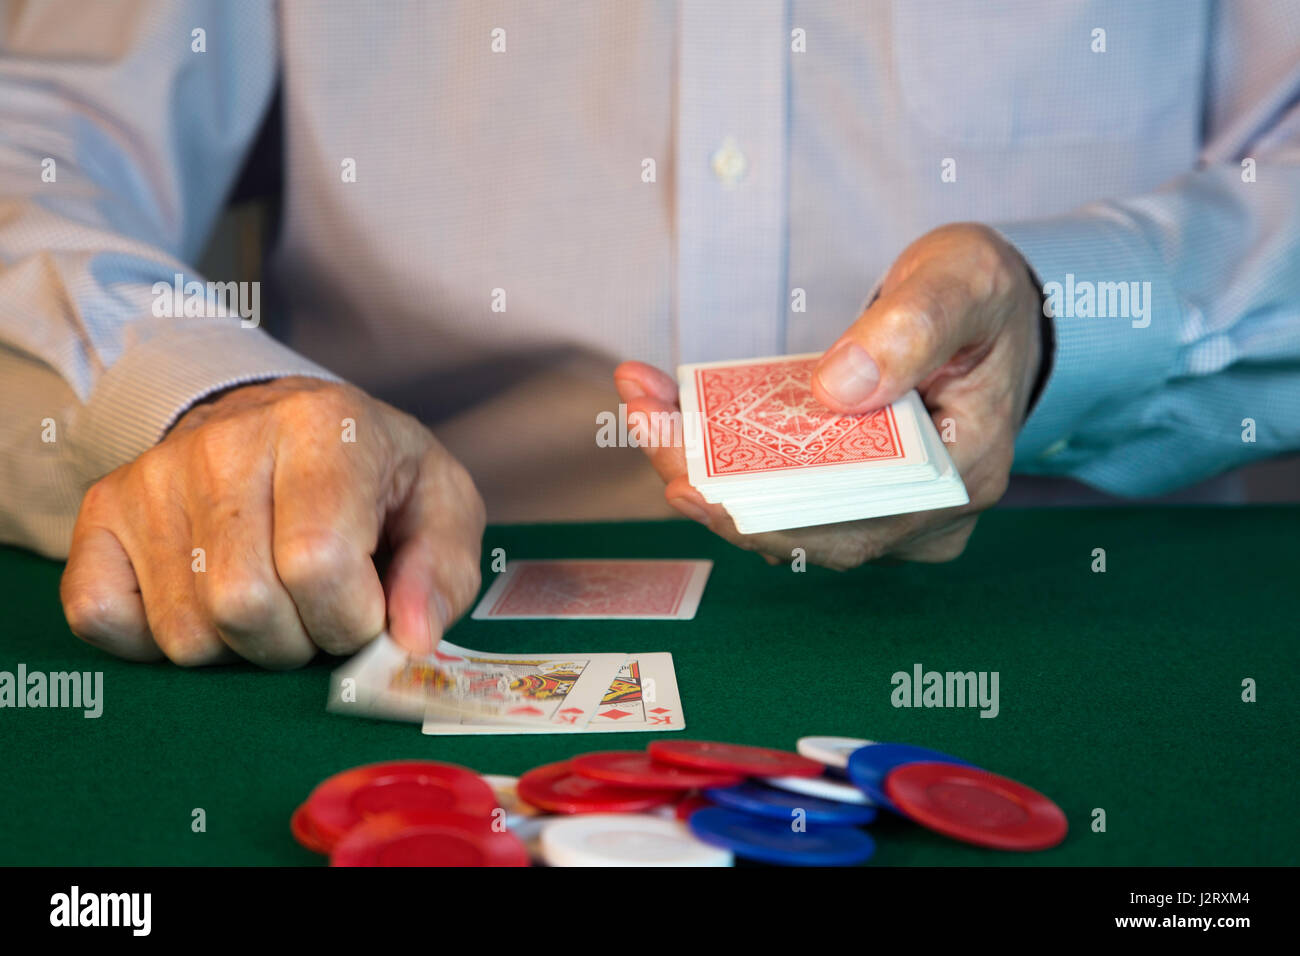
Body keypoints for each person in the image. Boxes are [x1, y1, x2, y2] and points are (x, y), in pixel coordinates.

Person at [2, 2, 1297, 668]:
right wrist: (203, 398)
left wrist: (1072, 316)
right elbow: (39, 138)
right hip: (407, 603)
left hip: (1090, 612)